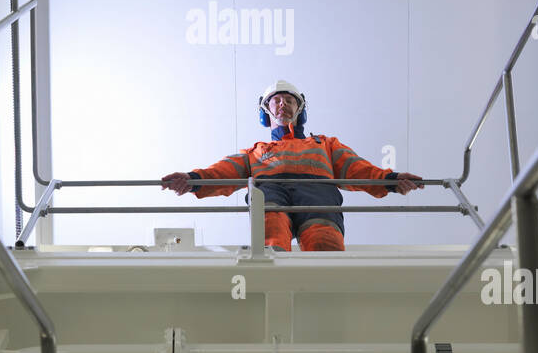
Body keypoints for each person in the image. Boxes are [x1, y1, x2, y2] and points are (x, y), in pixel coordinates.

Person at [160, 80, 422, 252]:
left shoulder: (324, 144)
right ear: (266, 111)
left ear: (300, 109)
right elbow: (221, 172)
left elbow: (358, 168)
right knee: (271, 233)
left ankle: (327, 290)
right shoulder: (255, 152)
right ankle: (273, 275)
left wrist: (391, 179)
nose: (283, 104)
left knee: (324, 242)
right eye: (276, 101)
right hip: (271, 191)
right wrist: (192, 179)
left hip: (317, 192)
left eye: (289, 100)